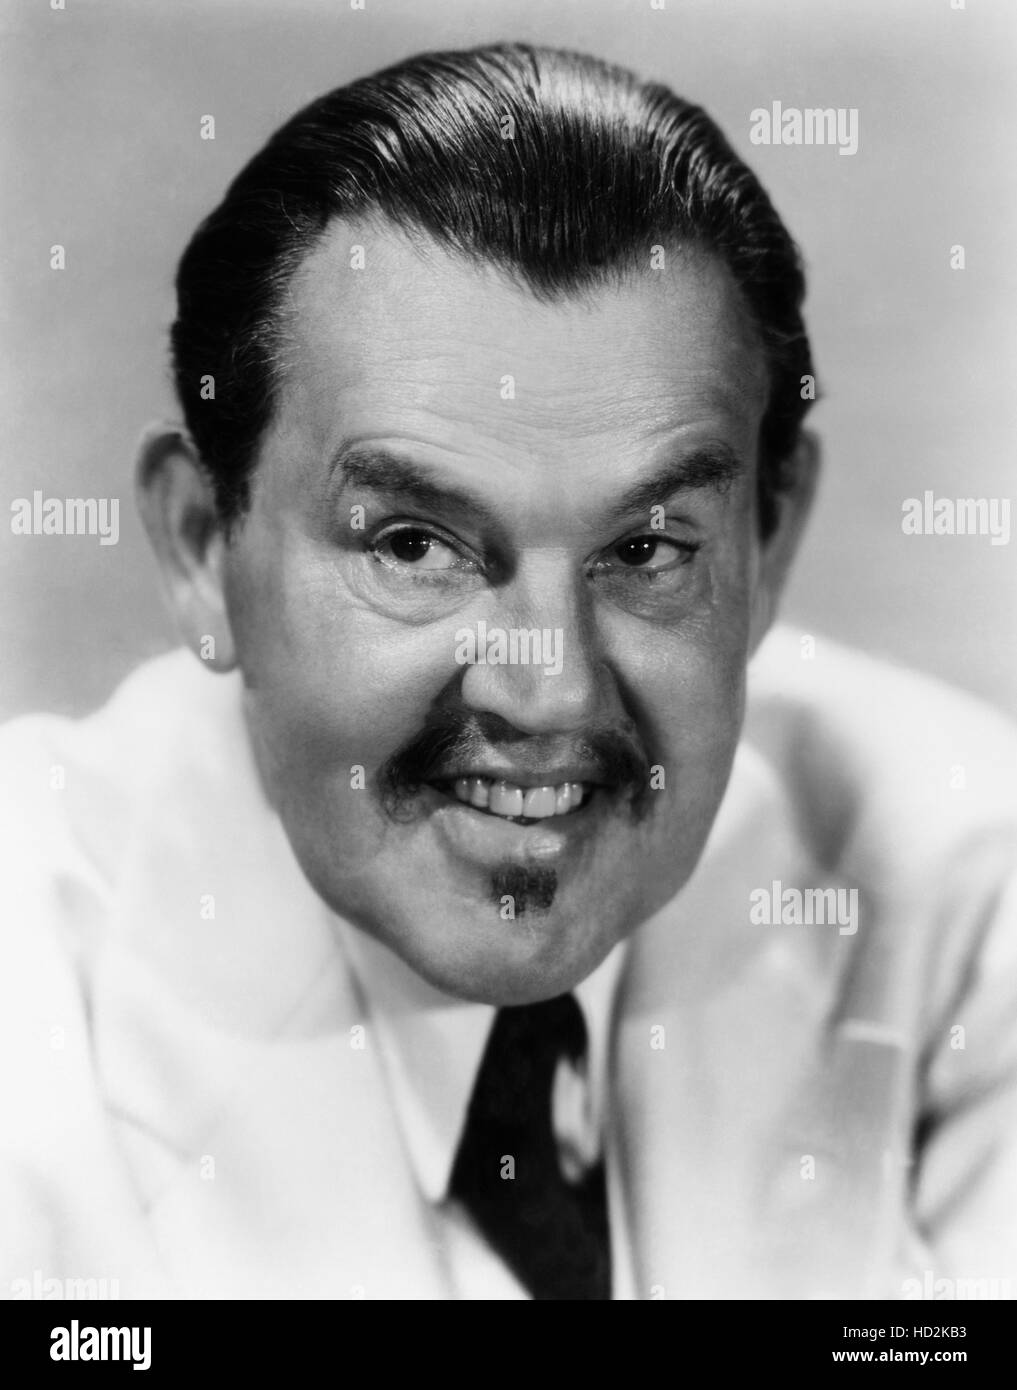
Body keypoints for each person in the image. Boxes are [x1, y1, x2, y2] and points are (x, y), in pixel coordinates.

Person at [2, 42, 1015, 1301]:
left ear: (768, 540)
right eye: (414, 545)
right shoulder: (24, 1019)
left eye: (645, 548)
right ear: (207, 550)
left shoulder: (966, 890)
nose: (548, 693)